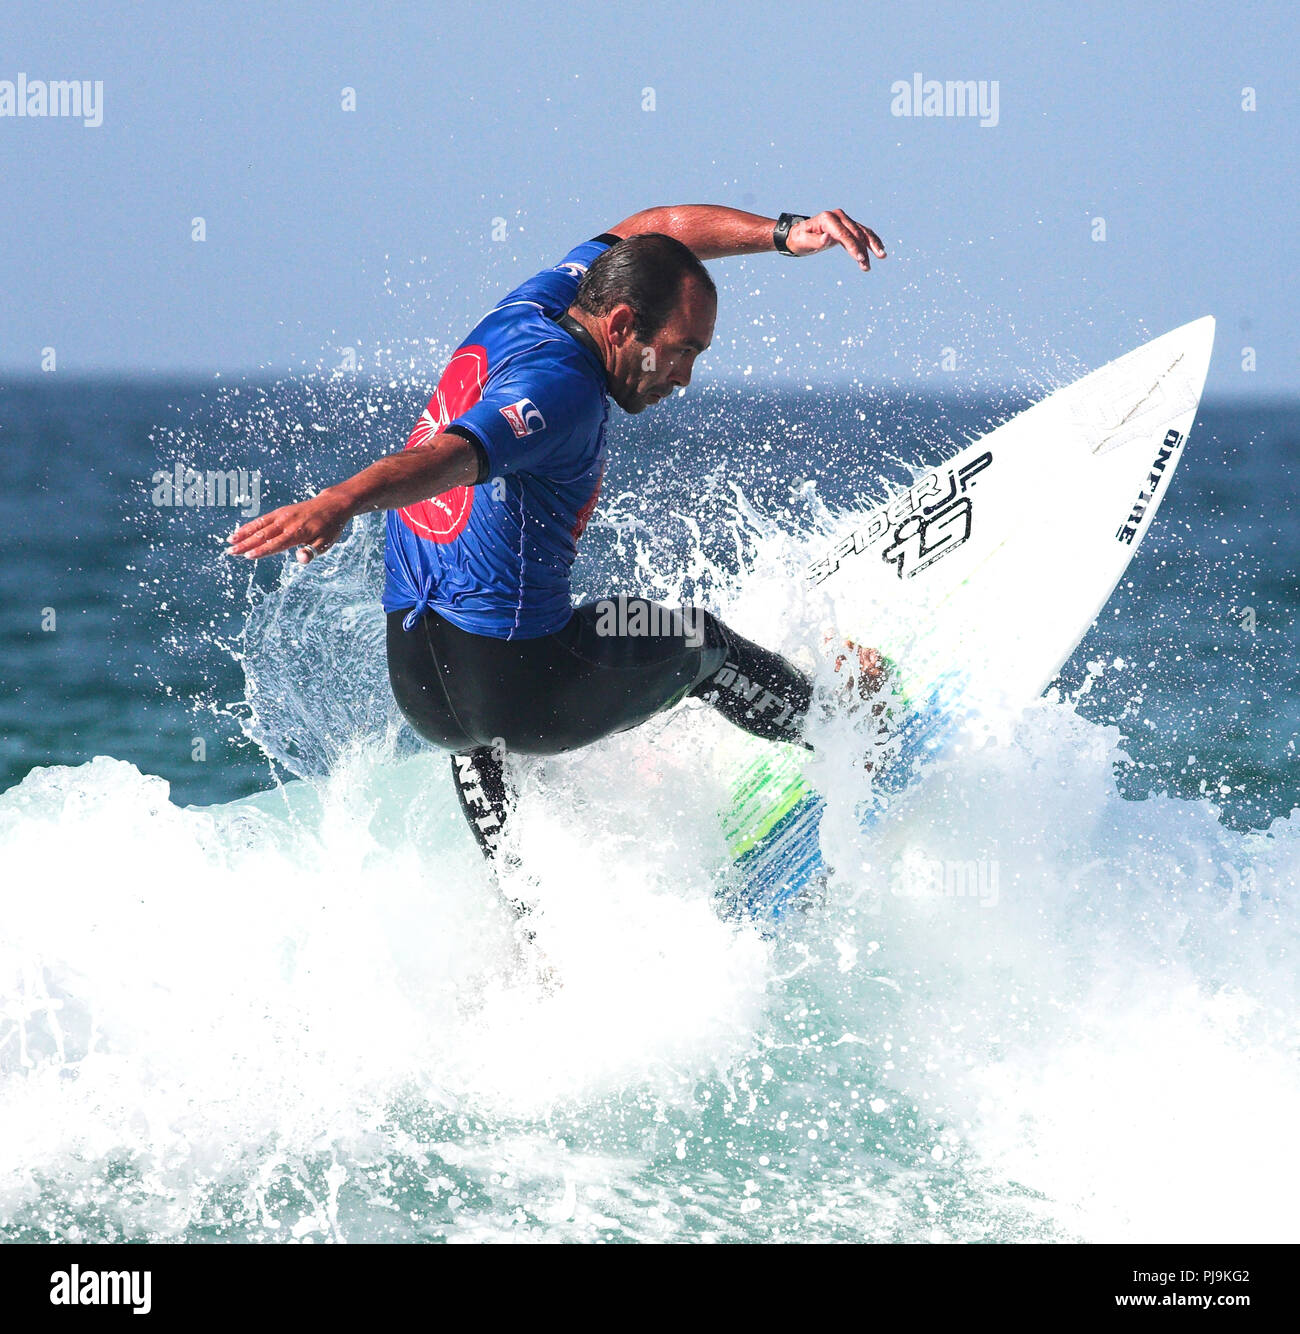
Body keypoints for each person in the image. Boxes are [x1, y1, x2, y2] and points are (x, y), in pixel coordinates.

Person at [228, 205, 888, 879]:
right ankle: (845, 731)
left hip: (424, 687)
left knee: (489, 733)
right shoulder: (563, 390)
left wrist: (782, 234)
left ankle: (528, 919)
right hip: (520, 687)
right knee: (700, 644)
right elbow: (456, 455)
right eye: (683, 349)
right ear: (624, 325)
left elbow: (656, 225)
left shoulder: (534, 305)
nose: (683, 376)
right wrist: (340, 500)